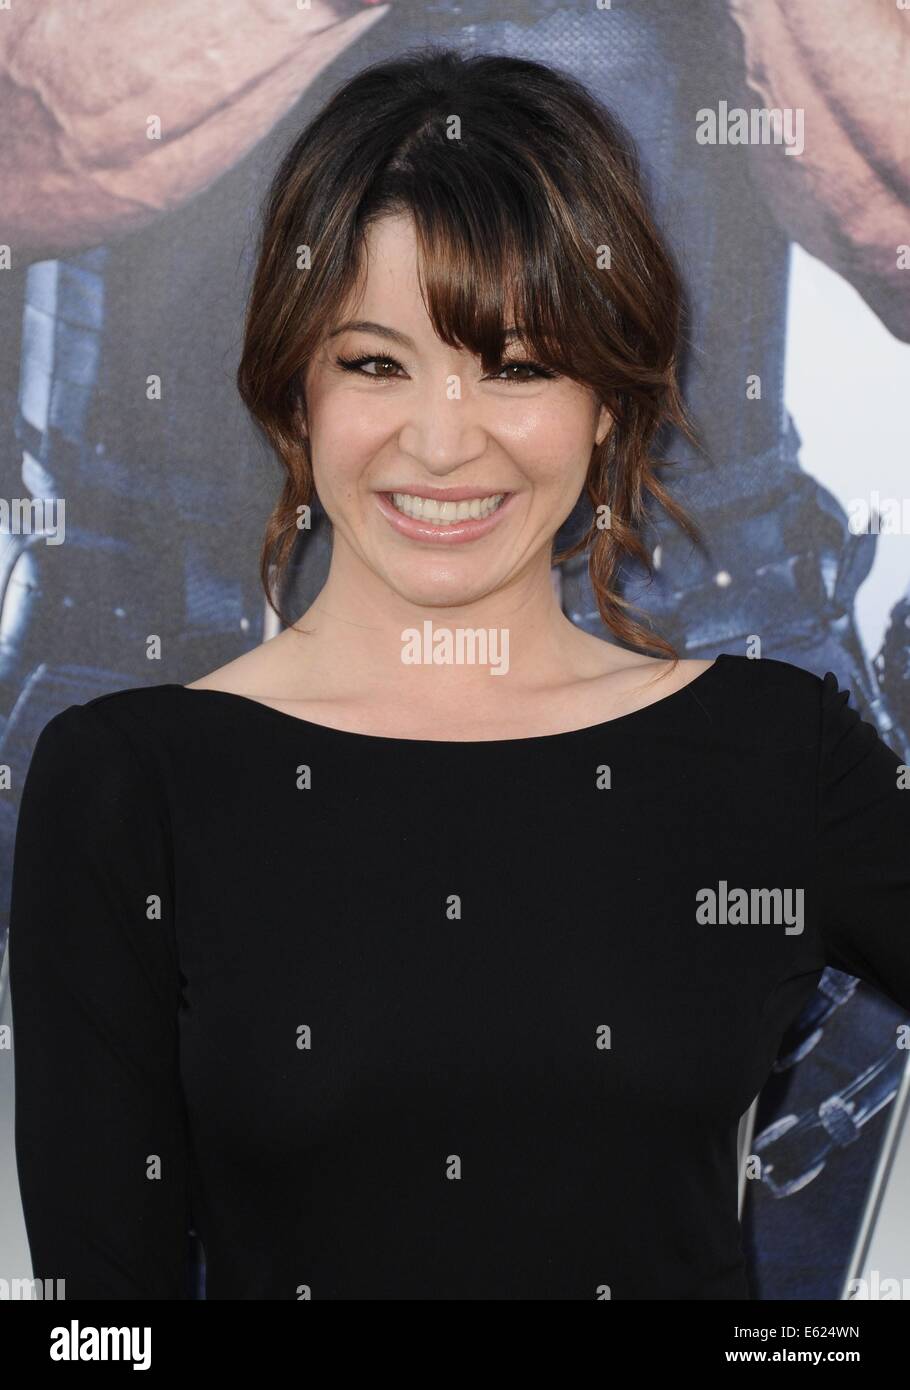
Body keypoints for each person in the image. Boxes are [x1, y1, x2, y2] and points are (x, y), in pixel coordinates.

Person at [9, 50, 910, 1301]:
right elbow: (97, 1326)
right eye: (375, 362)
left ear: (608, 403)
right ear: (294, 391)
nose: (441, 440)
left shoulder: (775, 754)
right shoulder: (128, 783)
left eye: (520, 365)